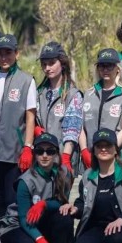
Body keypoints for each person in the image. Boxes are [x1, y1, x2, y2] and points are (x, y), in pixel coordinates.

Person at [0, 33, 37, 243]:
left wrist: (27, 146)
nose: (4, 57)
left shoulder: (26, 80)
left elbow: (30, 115)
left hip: (14, 149)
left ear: (17, 54)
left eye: (8, 52)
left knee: (11, 199)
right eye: (0, 52)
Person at [0, 133, 74, 243]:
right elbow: (23, 218)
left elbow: (62, 203)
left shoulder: (64, 173)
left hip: (42, 220)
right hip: (17, 225)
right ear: (35, 154)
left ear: (56, 154)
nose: (44, 155)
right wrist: (39, 238)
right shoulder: (25, 181)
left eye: (50, 151)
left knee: (64, 216)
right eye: (40, 151)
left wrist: (44, 204)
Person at [79, 48, 122, 170]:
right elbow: (81, 126)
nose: (105, 70)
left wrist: (109, 150)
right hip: (92, 159)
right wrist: (84, 149)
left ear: (117, 68)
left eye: (109, 66)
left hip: (118, 159)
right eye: (102, 66)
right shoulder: (88, 94)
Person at [34, 42, 82, 174]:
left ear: (62, 63)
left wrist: (66, 157)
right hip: (41, 161)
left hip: (62, 160)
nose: (47, 68)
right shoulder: (39, 93)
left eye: (51, 63)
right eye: (44, 64)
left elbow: (72, 129)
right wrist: (34, 128)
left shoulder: (73, 94)